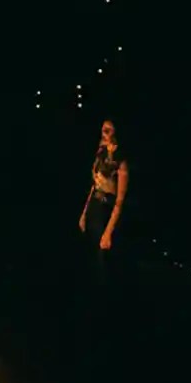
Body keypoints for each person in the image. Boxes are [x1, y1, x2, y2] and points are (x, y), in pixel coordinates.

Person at [79, 119, 129, 284]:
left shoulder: (120, 161)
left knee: (103, 263)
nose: (104, 134)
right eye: (103, 130)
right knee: (91, 258)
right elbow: (95, 185)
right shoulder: (100, 154)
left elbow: (120, 199)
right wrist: (84, 213)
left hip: (106, 211)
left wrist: (108, 231)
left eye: (108, 130)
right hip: (95, 206)